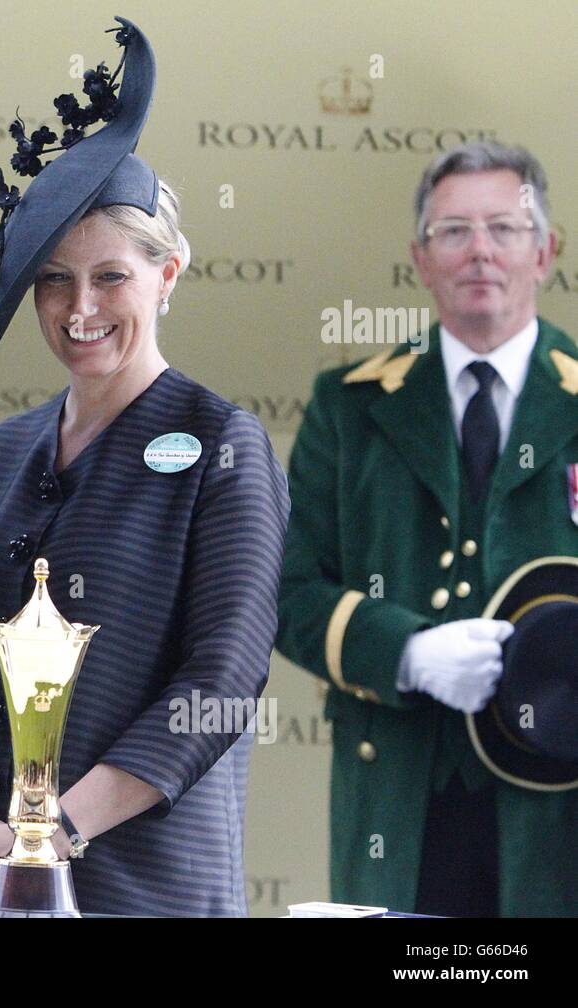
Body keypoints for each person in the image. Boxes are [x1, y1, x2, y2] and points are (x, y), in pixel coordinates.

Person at [0, 17, 289, 915]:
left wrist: (47, 837)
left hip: (141, 891)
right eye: (52, 279)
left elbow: (222, 682)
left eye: (110, 277)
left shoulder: (224, 447)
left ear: (169, 274)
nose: (79, 309)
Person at [276, 139, 578, 916]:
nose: (480, 250)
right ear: (420, 256)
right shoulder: (349, 404)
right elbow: (285, 590)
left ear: (546, 251)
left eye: (504, 229)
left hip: (560, 810)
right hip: (399, 797)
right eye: (454, 231)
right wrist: (404, 651)